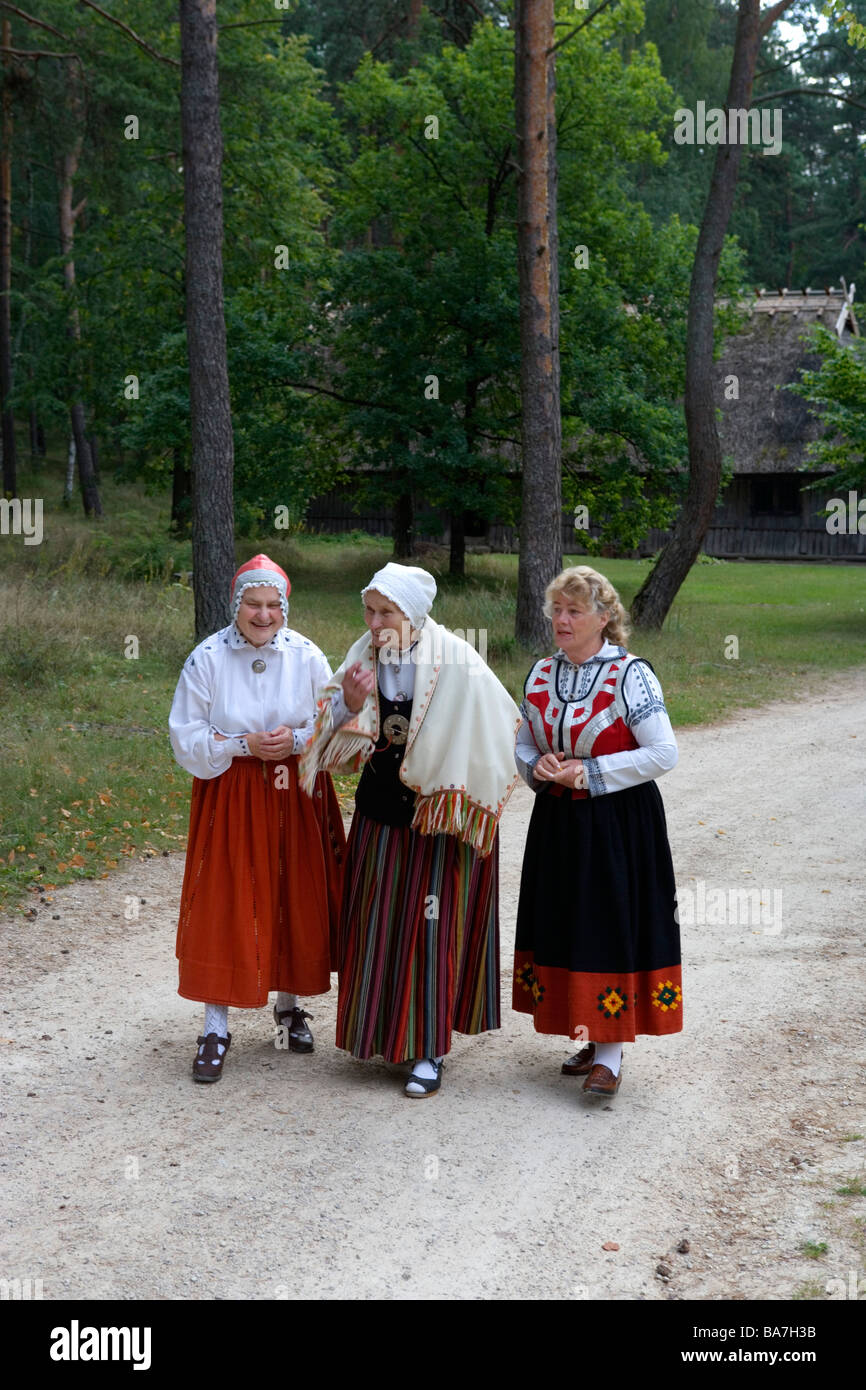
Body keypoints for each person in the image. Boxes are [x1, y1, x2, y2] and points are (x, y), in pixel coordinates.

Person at [300, 562, 520, 1097]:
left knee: (430, 933)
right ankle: (380, 1035)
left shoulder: (457, 661)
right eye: (369, 611)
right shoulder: (360, 658)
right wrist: (351, 706)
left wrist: (457, 792)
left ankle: (428, 1051)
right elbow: (327, 741)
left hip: (437, 822)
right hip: (381, 817)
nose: (374, 623)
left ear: (413, 614)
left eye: (386, 612)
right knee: (374, 925)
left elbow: (501, 728)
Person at [168, 554, 345, 1082]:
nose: (263, 615)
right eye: (253, 604)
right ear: (236, 605)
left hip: (296, 787)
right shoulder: (207, 658)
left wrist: (293, 739)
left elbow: (335, 720)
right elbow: (184, 734)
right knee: (227, 898)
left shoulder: (307, 654)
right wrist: (242, 743)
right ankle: (215, 1025)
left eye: (273, 605)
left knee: (290, 890)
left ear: (284, 607)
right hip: (233, 789)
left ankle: (288, 1009)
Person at [512, 565, 681, 1097]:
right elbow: (523, 743)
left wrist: (589, 774)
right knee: (566, 921)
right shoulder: (541, 673)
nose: (561, 620)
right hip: (558, 822)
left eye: (574, 611)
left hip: (616, 824)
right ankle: (587, 1032)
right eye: (556, 610)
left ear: (604, 619)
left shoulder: (632, 675)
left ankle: (611, 1055)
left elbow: (663, 752)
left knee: (606, 924)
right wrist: (536, 766)